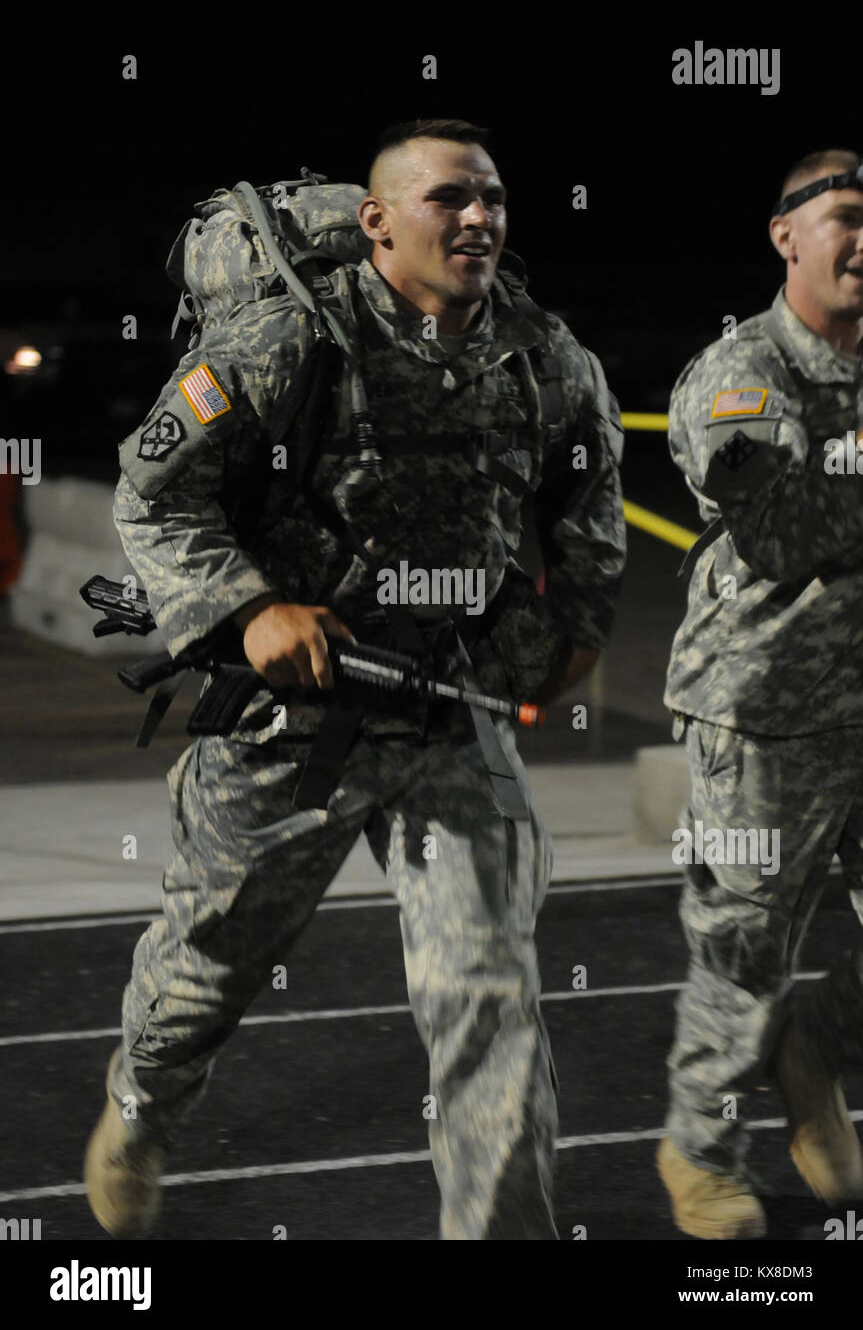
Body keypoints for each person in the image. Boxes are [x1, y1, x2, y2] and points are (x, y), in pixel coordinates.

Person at [83, 118, 627, 1241]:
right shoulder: (290, 343)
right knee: (203, 977)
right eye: (446, 199)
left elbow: (585, 498)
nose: (476, 218)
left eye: (491, 199)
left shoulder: (545, 352)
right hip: (295, 725)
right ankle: (139, 1106)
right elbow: (151, 496)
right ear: (378, 220)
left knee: (488, 1001)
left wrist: (572, 621)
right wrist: (249, 607)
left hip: (448, 721)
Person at [658, 148, 863, 1239]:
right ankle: (699, 1153)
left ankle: (817, 1054)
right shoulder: (738, 373)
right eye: (845, 216)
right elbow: (778, 535)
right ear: (785, 235)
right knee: (742, 950)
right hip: (761, 713)